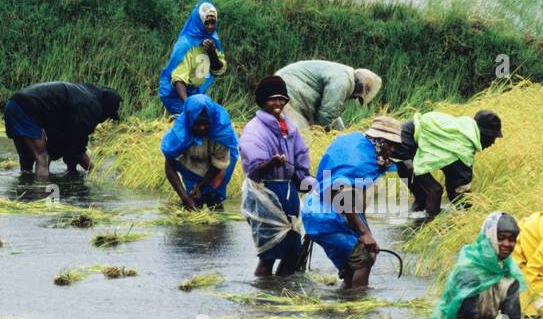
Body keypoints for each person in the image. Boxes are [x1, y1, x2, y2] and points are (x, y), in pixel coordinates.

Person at [300, 116, 404, 289]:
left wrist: (367, 234)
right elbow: (342, 193)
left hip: (319, 212)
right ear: (378, 140)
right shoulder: (361, 161)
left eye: (396, 146)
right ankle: (358, 309)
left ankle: (345, 305)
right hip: (327, 217)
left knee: (351, 269)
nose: (392, 150)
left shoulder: (355, 142)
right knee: (364, 260)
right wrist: (363, 233)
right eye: (389, 144)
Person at [239, 77, 313, 277]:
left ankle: (281, 296)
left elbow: (300, 156)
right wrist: (271, 163)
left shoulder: (289, 128)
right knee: (268, 254)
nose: (278, 103)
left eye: (282, 99)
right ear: (262, 101)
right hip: (265, 194)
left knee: (292, 251)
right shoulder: (254, 130)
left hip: (288, 193)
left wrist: (307, 181)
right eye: (272, 99)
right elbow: (253, 168)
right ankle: (264, 299)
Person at [394, 110, 502, 218]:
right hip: (404, 147)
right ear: (483, 133)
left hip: (400, 139)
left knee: (423, 196)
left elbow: (453, 188)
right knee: (434, 190)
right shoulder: (463, 148)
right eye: (492, 137)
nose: (493, 143)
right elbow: (459, 192)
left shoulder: (463, 129)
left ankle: (412, 224)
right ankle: (430, 228)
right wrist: (471, 217)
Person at [2, 81, 121, 180]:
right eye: (108, 116)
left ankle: (25, 192)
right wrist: (96, 172)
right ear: (105, 110)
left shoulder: (84, 93)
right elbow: (77, 149)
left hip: (13, 105)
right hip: (27, 108)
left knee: (27, 159)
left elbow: (65, 140)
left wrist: (71, 166)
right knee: (43, 157)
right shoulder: (89, 107)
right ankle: (42, 198)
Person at [161, 93, 238, 209]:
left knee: (214, 201)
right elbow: (169, 166)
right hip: (191, 166)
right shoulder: (179, 135)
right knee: (194, 204)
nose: (202, 128)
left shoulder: (221, 133)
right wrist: (185, 198)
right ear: (190, 121)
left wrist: (200, 186)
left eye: (206, 124)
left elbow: (218, 165)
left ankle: (212, 198)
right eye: (197, 124)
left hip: (217, 167)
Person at [158, 0, 226, 116]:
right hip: (177, 95)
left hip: (197, 92)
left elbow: (219, 69)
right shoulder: (186, 44)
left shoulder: (212, 40)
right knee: (188, 125)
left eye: (213, 22)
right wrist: (187, 104)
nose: (210, 26)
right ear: (199, 22)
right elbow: (178, 78)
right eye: (206, 23)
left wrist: (212, 52)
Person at [274, 60, 382, 130]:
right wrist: (321, 134)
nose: (354, 98)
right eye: (357, 97)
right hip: (290, 89)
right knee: (303, 139)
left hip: (287, 86)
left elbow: (333, 117)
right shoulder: (344, 80)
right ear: (359, 88)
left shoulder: (342, 74)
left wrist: (341, 134)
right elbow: (327, 113)